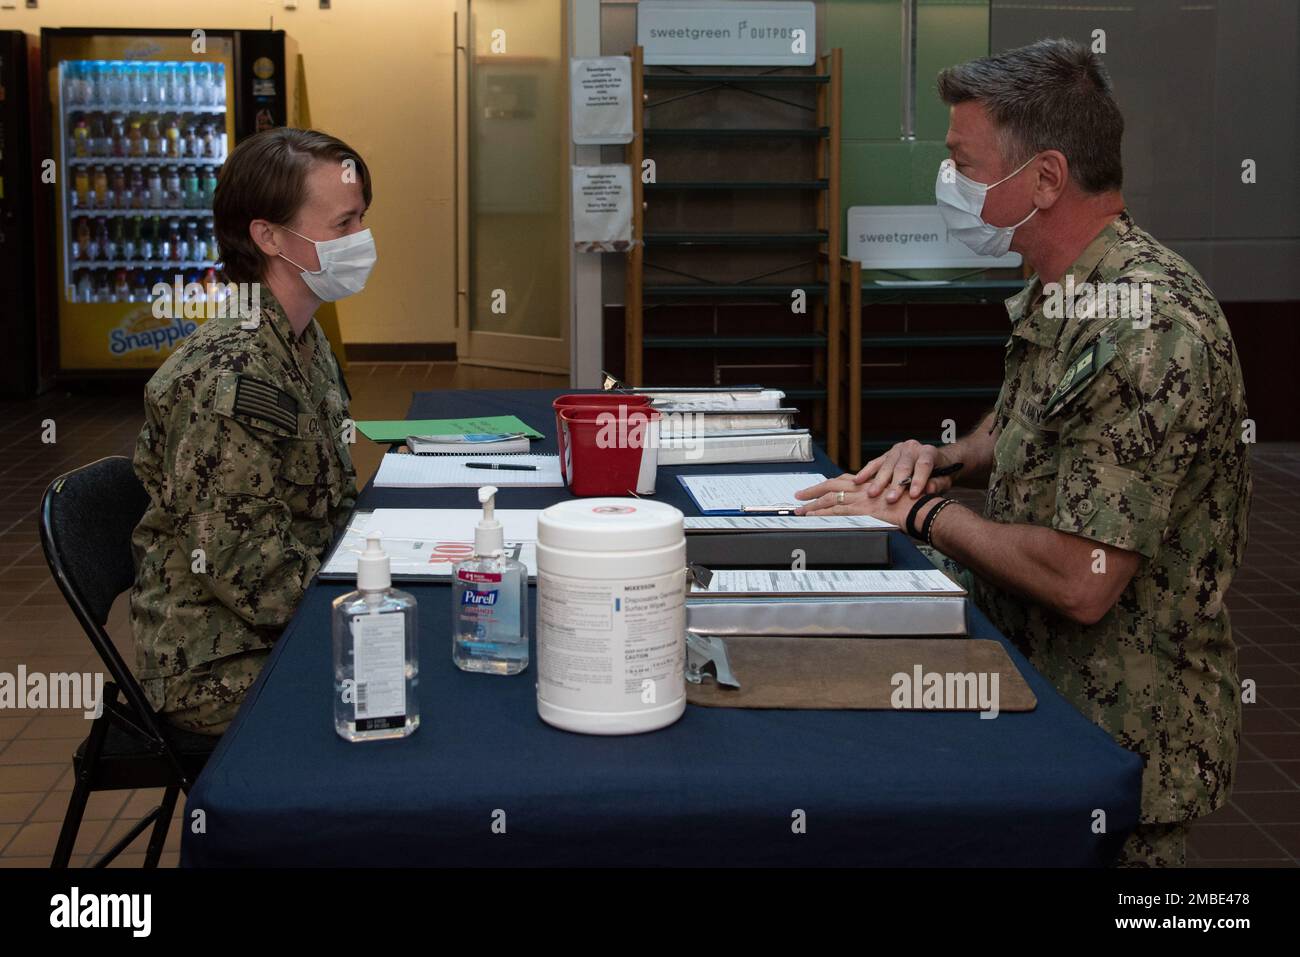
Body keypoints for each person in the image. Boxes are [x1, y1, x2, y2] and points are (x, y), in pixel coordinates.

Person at [795, 38, 1251, 867]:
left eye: (963, 164)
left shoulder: (1145, 325)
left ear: (1044, 178)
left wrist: (923, 514)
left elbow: (1082, 580)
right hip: (1043, 706)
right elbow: (1026, 428)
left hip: (1116, 750)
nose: (950, 185)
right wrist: (942, 460)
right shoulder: (1074, 284)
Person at [130, 127, 376, 735]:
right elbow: (242, 566)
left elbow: (327, 502)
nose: (362, 241)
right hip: (220, 661)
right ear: (268, 236)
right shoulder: (230, 377)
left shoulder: (301, 340)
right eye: (343, 225)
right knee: (422, 688)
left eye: (362, 221)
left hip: (280, 622)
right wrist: (373, 615)